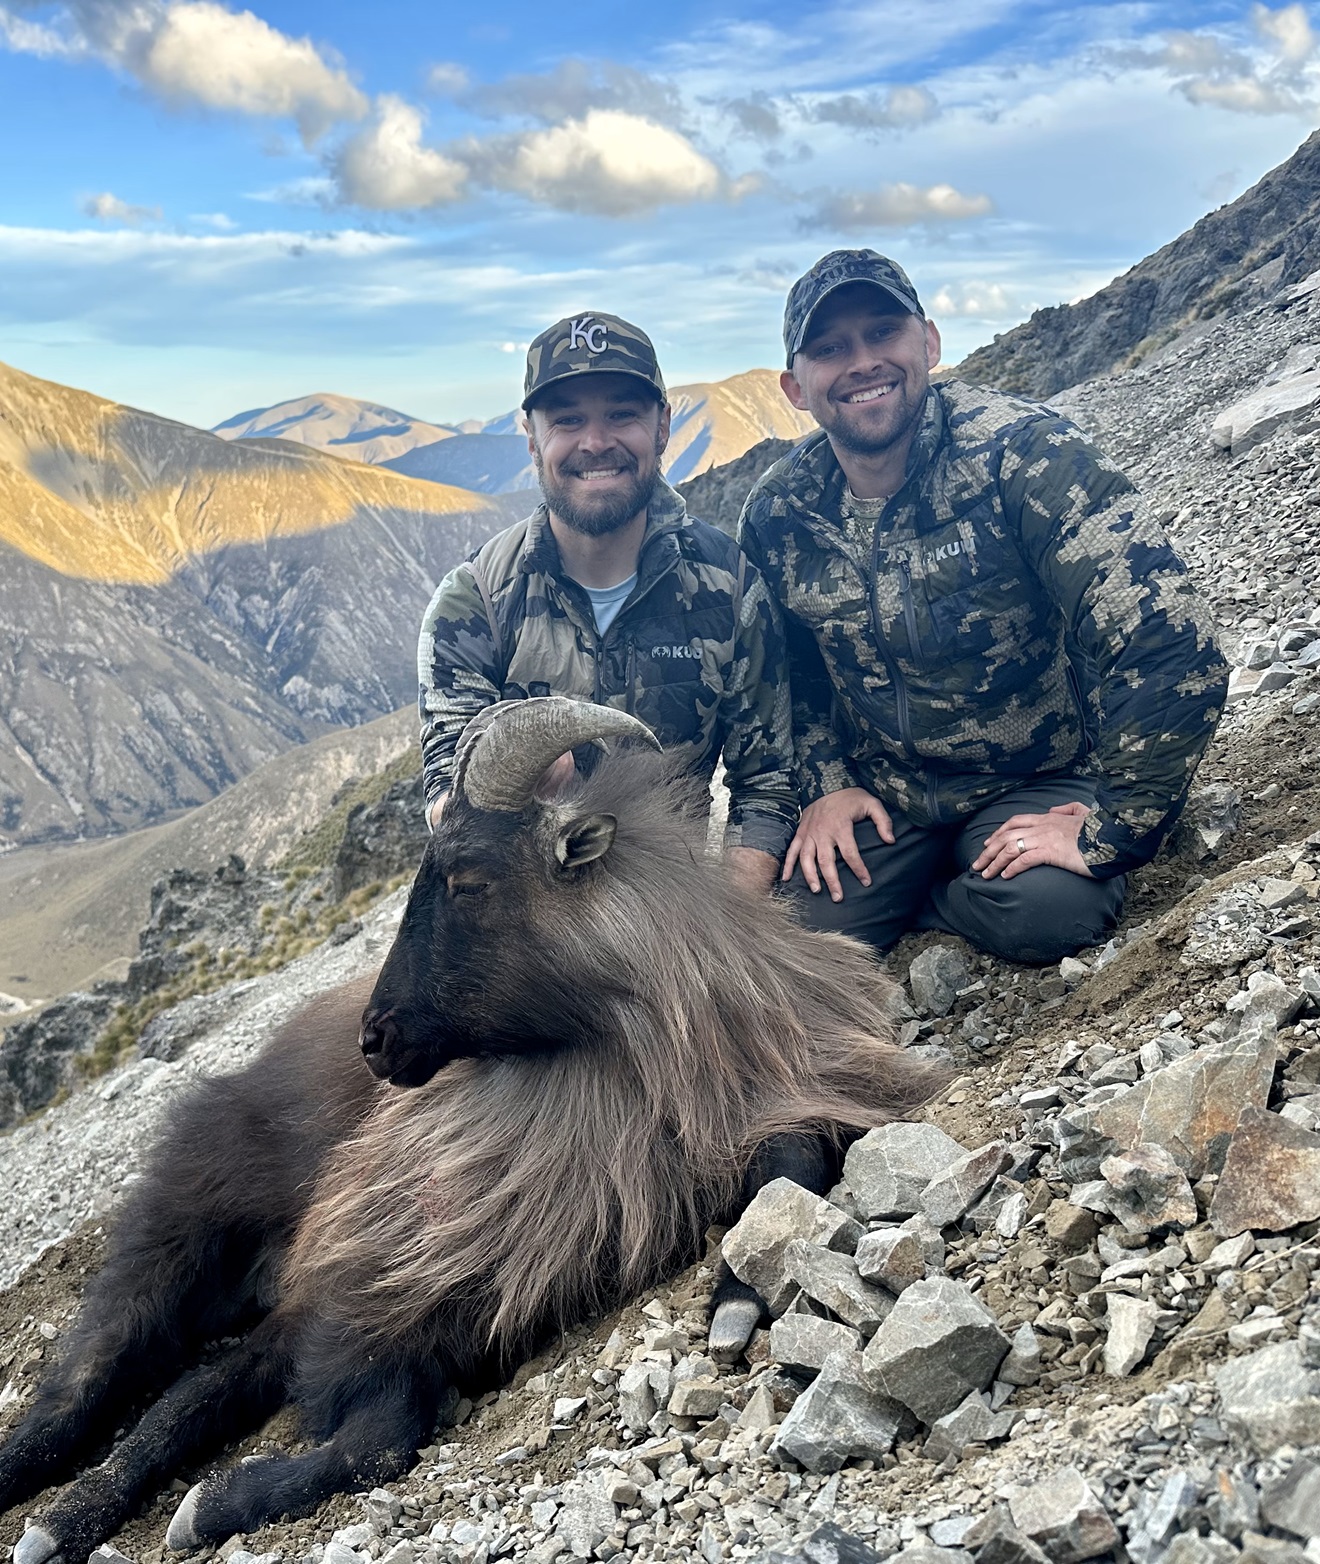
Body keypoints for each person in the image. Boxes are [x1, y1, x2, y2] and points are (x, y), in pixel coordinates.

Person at [738, 249, 1228, 963]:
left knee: (1048, 913)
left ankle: (935, 898)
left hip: (1033, 775)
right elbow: (790, 678)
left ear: (928, 342)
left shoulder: (1025, 455)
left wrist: (1117, 827)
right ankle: (939, 881)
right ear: (795, 386)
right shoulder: (779, 514)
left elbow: (1170, 635)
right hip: (888, 794)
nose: (862, 361)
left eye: (883, 333)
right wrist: (827, 784)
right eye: (830, 349)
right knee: (791, 942)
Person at [418, 311, 797, 890]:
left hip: (672, 899)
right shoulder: (473, 604)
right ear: (531, 437)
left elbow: (767, 784)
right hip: (528, 908)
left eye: (622, 414)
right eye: (567, 420)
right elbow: (448, 797)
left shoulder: (732, 586)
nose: (596, 443)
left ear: (663, 426)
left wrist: (727, 924)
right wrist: (509, 786)